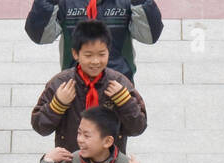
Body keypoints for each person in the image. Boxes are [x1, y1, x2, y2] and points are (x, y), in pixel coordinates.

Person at [31, 19, 146, 154]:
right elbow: (40, 127)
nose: (95, 61)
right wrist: (58, 105)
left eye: (101, 54)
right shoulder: (61, 84)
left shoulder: (119, 84)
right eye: (88, 55)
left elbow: (138, 127)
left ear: (109, 52)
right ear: (75, 54)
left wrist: (125, 102)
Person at [25, 0, 164, 81]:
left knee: (113, 131)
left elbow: (149, 36)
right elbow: (41, 37)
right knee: (77, 132)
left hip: (118, 86)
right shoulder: (65, 2)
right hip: (74, 86)